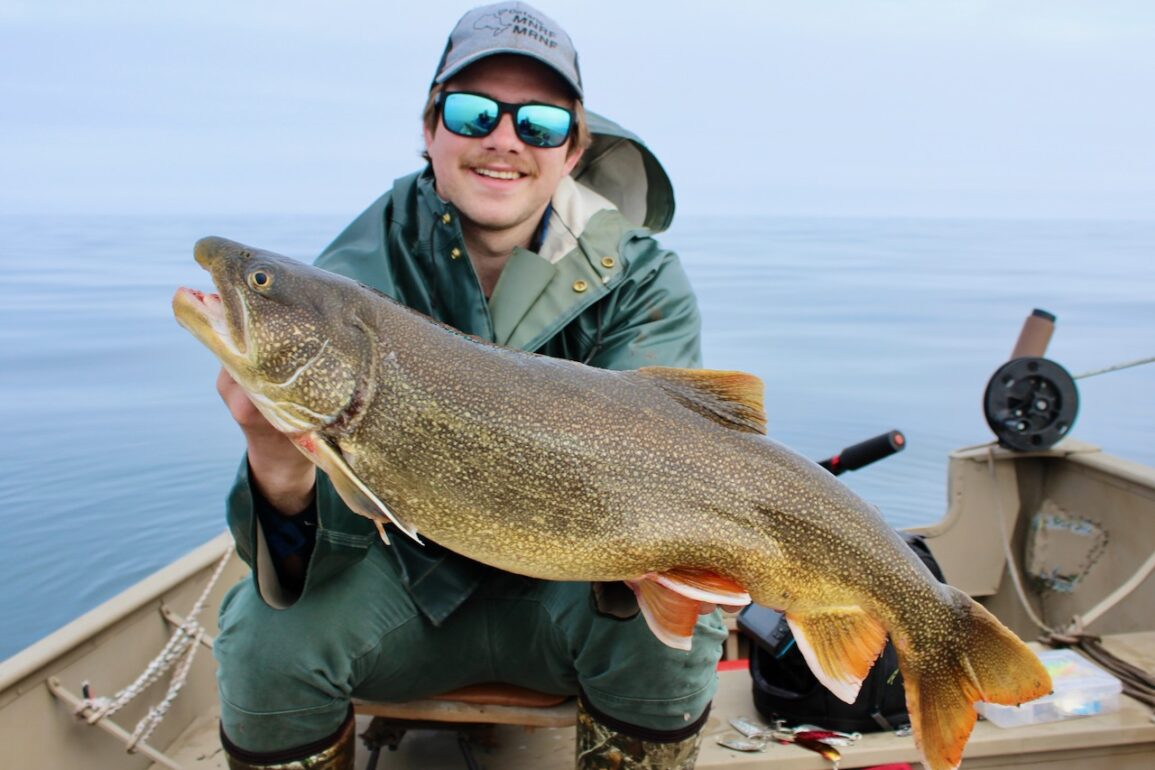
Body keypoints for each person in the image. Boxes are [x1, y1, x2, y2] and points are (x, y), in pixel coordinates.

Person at [213, 4, 727, 768]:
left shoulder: (642, 279)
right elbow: (317, 561)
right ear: (430, 128)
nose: (503, 139)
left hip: (575, 588)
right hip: (401, 590)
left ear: (574, 147)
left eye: (540, 123)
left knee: (670, 639)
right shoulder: (349, 282)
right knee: (263, 638)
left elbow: (656, 478)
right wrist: (275, 457)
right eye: (472, 111)